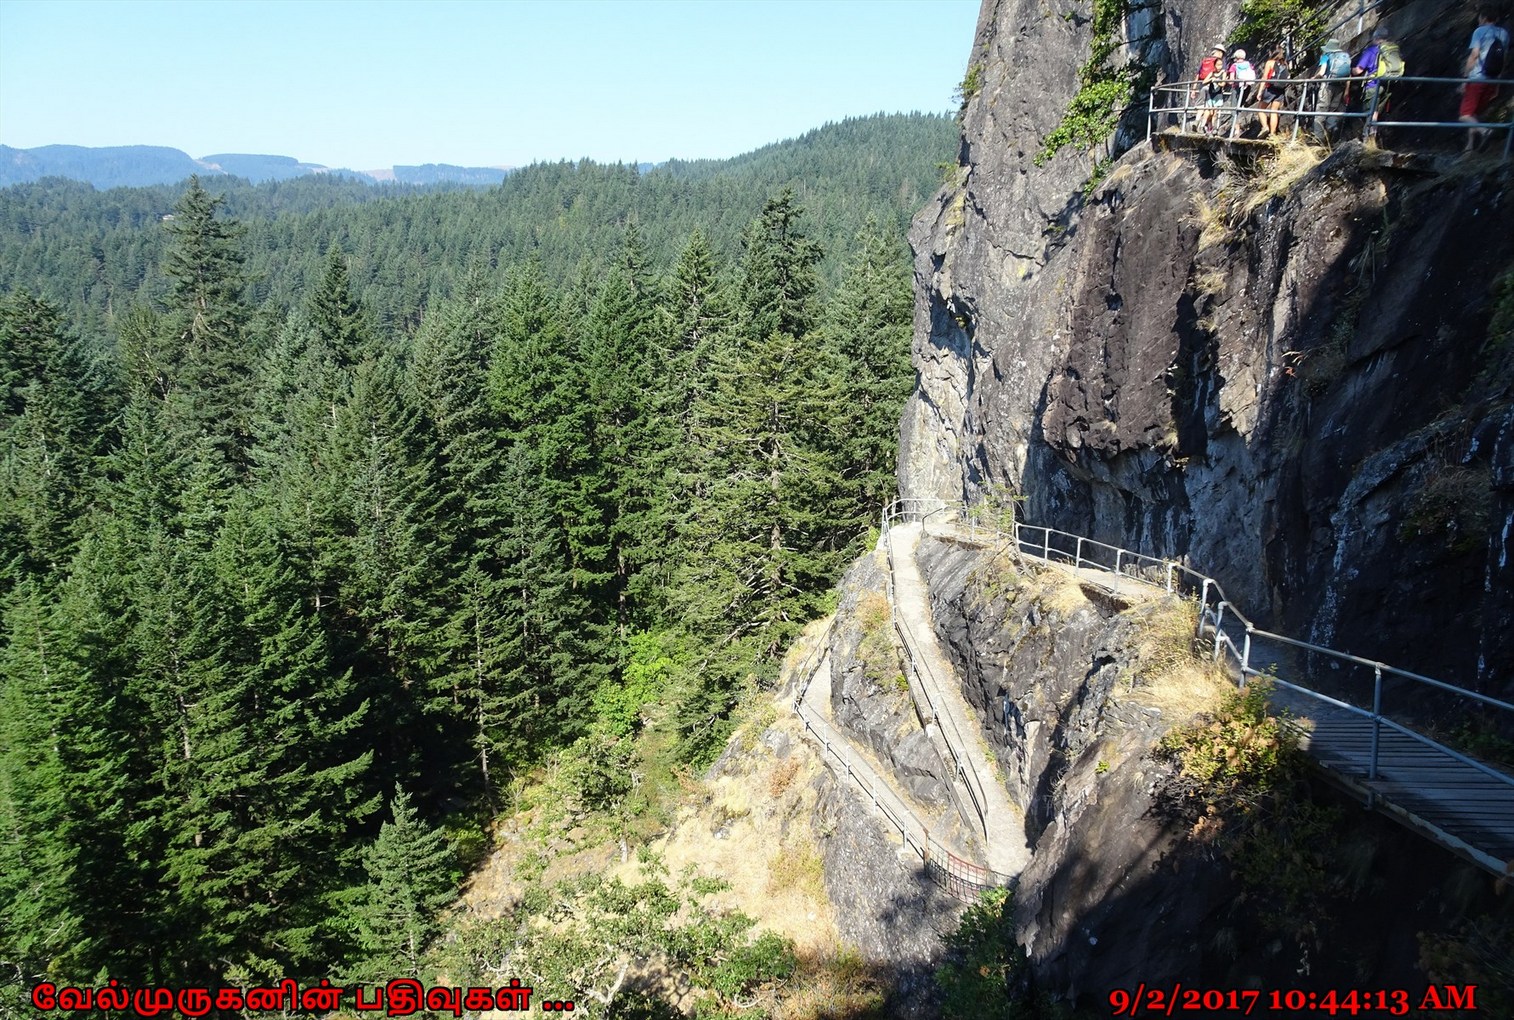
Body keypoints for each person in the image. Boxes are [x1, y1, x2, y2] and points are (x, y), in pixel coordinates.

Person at [1459, 6, 1510, 152]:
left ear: (1482, 18)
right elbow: (1503, 60)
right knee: (1473, 114)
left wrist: (1465, 79)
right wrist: (1498, 84)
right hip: (1492, 80)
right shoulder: (1504, 34)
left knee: (1465, 115)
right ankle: (1469, 147)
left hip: (1477, 78)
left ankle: (1484, 131)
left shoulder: (1479, 31)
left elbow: (1474, 55)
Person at [1353, 26, 1398, 143]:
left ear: (1376, 38)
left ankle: (1367, 139)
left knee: (1370, 112)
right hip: (1387, 84)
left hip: (1373, 85)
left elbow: (1358, 70)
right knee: (1376, 112)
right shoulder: (1391, 49)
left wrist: (1351, 70)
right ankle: (1373, 137)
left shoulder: (1371, 51)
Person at [1313, 38, 1353, 139]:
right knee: (1333, 110)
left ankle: (1319, 138)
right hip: (1340, 87)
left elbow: (1321, 73)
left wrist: (1313, 78)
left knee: (1321, 110)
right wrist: (1346, 91)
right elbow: (1349, 75)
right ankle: (1331, 131)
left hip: (1327, 86)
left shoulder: (1326, 56)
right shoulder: (1346, 56)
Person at [1195, 44, 1229, 134]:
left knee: (1207, 108)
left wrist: (1193, 89)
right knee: (1212, 110)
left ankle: (1201, 123)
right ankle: (1208, 127)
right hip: (1214, 90)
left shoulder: (1206, 61)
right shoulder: (1221, 63)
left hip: (1205, 88)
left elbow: (1198, 75)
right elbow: (1223, 80)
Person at [1258, 46, 1290, 136]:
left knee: (1260, 109)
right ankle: (1272, 133)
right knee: (1274, 111)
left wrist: (1260, 91)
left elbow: (1264, 78)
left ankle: (1265, 127)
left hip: (1270, 89)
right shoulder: (1285, 64)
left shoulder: (1270, 63)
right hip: (1280, 90)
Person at [1229, 48, 1259, 135]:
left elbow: (1231, 80)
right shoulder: (1249, 65)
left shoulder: (1234, 66)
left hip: (1237, 88)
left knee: (1233, 108)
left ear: (1236, 57)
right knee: (1240, 106)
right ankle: (1239, 126)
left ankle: (1237, 129)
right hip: (1247, 87)